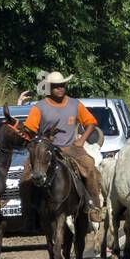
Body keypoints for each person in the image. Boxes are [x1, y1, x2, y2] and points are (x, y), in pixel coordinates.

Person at [21, 71, 105, 223]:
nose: (59, 89)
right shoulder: (39, 107)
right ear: (49, 88)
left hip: (70, 147)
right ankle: (27, 212)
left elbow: (91, 123)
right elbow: (30, 130)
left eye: (62, 85)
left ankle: (94, 206)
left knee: (90, 166)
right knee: (26, 174)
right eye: (55, 86)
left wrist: (81, 141)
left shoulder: (75, 104)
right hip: (45, 148)